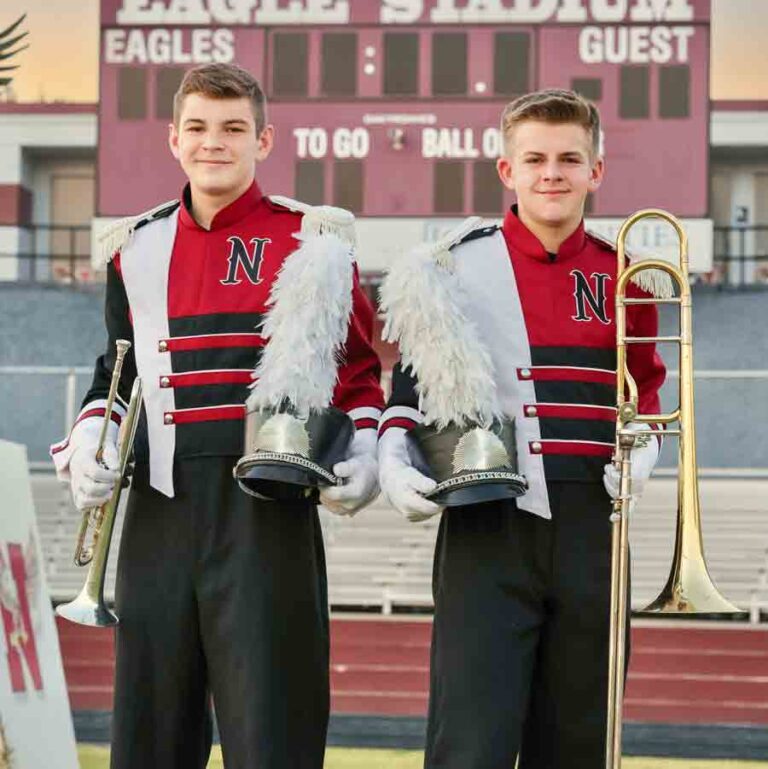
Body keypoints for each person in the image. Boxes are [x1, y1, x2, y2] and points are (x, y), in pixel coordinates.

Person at [50, 63, 384, 769]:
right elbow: (116, 371)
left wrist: (364, 448)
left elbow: (357, 370)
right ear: (174, 139)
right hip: (159, 513)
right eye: (198, 128)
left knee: (273, 732)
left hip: (270, 515)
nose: (214, 143)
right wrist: (90, 436)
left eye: (233, 128)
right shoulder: (133, 248)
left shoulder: (314, 238)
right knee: (149, 735)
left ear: (263, 138)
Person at [378, 89, 667, 768]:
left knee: (578, 742)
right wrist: (394, 452)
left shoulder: (627, 272)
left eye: (571, 158)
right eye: (534, 158)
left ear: (596, 171)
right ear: (506, 170)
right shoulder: (450, 265)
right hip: (486, 520)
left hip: (594, 525)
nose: (552, 173)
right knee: (469, 740)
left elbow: (645, 390)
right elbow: (410, 390)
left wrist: (646, 446)